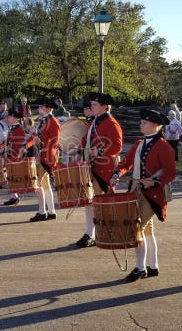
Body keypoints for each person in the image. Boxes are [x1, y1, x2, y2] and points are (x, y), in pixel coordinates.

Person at [111, 109, 176, 281]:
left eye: (144, 122)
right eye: (141, 122)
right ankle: (153, 266)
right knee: (146, 229)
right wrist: (117, 174)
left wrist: (154, 182)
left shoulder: (163, 145)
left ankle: (140, 268)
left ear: (155, 125)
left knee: (136, 227)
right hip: (136, 190)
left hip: (153, 193)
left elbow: (170, 173)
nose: (141, 124)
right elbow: (126, 163)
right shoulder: (139, 143)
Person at [77, 92, 123, 248]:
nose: (91, 107)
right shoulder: (96, 121)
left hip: (104, 168)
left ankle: (104, 232)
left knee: (100, 203)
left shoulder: (111, 122)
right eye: (91, 105)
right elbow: (86, 139)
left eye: (95, 105)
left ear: (104, 107)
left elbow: (117, 146)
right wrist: (79, 150)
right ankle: (90, 232)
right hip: (92, 166)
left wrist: (101, 152)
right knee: (89, 202)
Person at [29, 98, 60, 222]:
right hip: (43, 155)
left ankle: (42, 212)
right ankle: (51, 211)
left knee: (37, 182)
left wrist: (40, 142)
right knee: (45, 184)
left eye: (41, 106)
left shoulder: (53, 121)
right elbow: (39, 137)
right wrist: (32, 136)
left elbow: (54, 141)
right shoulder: (44, 120)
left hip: (47, 156)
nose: (39, 108)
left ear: (47, 108)